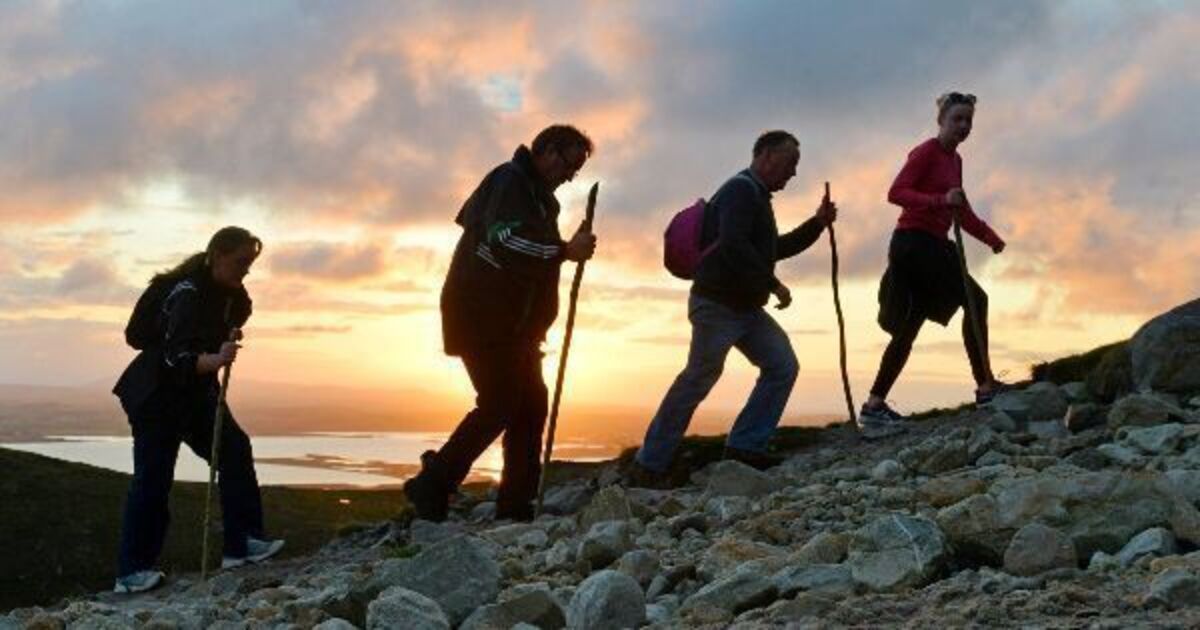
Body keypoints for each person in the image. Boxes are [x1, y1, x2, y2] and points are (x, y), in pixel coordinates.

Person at [404, 124, 598, 522]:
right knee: (501, 402)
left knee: (529, 406)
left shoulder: (539, 199)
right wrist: (565, 250)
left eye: (576, 170)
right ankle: (434, 483)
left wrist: (564, 249)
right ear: (547, 150)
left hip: (514, 326)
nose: (569, 176)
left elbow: (530, 257)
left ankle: (515, 502)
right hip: (484, 317)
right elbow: (504, 241)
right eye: (568, 164)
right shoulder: (510, 181)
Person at [631, 130, 837, 480]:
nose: (793, 172)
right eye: (790, 163)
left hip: (744, 308)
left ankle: (744, 448)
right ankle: (649, 464)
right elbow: (733, 244)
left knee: (781, 366)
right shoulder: (740, 191)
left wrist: (817, 224)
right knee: (698, 379)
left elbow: (773, 249)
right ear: (767, 155)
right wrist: (772, 284)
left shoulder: (756, 196)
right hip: (717, 304)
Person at [112, 226, 283, 594]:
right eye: (241, 262)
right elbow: (178, 359)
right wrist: (217, 358)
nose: (246, 270)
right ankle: (131, 573)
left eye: (250, 264)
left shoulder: (230, 295)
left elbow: (231, 321)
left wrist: (227, 336)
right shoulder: (186, 294)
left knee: (234, 449)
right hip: (158, 398)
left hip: (193, 394)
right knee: (153, 479)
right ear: (217, 255)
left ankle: (241, 546)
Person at [859, 92, 1009, 428]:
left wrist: (989, 237)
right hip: (914, 243)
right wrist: (940, 200)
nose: (964, 125)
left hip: (931, 244)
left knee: (910, 323)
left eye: (968, 120)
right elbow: (897, 192)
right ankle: (986, 386)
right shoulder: (926, 151)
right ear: (941, 120)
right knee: (976, 300)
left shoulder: (956, 161)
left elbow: (960, 210)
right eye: (957, 119)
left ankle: (874, 405)